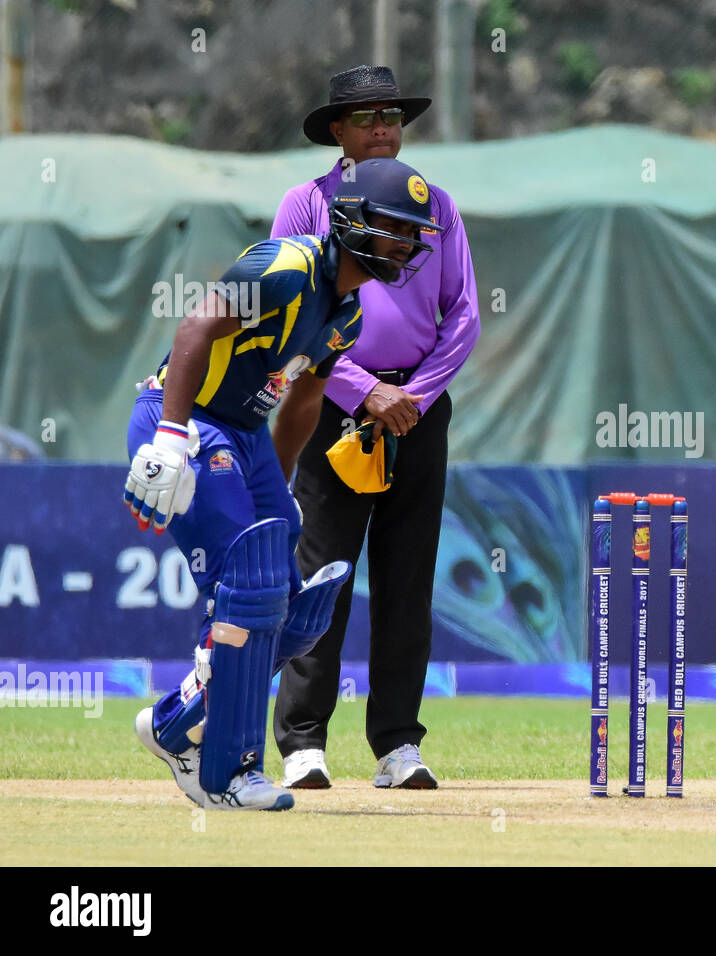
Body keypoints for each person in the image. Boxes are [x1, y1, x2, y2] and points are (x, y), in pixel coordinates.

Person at [127, 156, 441, 810]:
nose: (407, 245)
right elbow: (196, 327)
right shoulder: (286, 266)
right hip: (186, 417)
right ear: (352, 220)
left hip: (242, 436)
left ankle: (176, 722)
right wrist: (170, 437)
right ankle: (229, 772)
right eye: (396, 228)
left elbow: (301, 404)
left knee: (297, 604)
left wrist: (281, 490)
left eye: (415, 234)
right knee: (250, 579)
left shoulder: (347, 314)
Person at [269, 65, 481, 791]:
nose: (385, 127)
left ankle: (398, 745)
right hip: (330, 401)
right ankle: (302, 743)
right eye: (366, 117)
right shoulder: (306, 204)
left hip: (417, 411)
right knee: (321, 573)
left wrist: (414, 396)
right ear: (338, 131)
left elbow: (464, 314)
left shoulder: (436, 204)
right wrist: (362, 392)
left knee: (408, 579)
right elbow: (289, 312)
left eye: (393, 114)